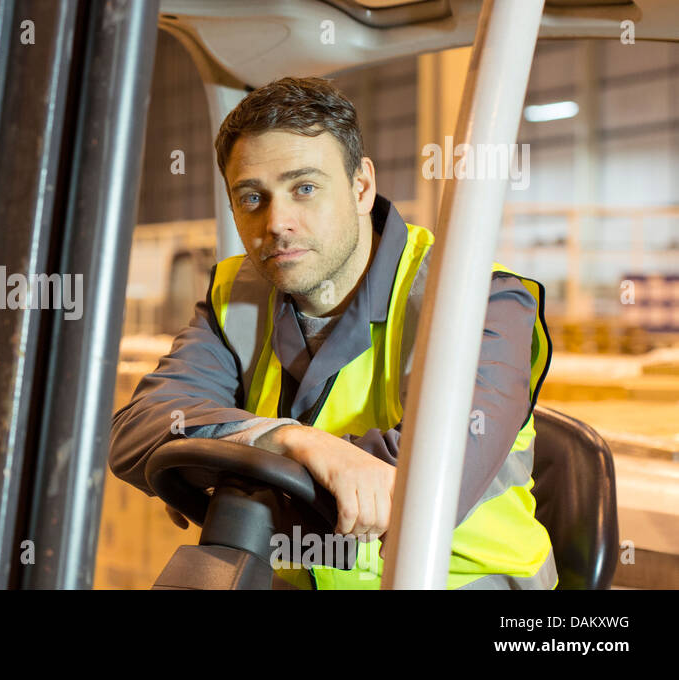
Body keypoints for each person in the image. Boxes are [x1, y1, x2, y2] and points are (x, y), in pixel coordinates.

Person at [109, 76, 556, 590]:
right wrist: (289, 440)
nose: (277, 222)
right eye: (252, 197)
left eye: (304, 188)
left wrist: (223, 472)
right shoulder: (238, 294)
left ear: (361, 187)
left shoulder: (479, 302)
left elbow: (414, 493)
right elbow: (139, 428)